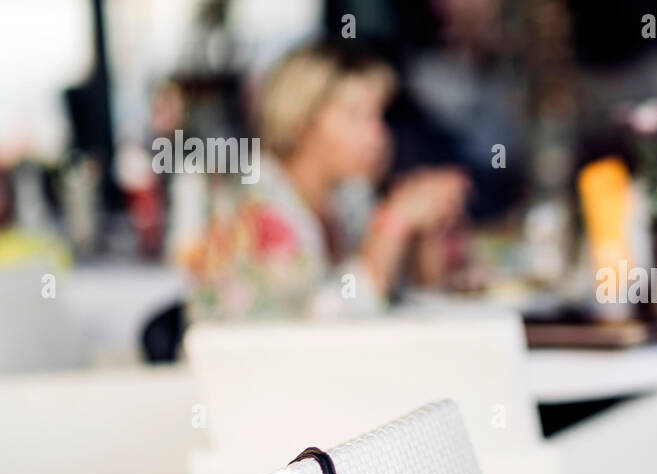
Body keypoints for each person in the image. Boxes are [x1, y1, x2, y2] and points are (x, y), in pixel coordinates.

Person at [183, 40, 471, 321]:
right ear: (301, 122)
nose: (378, 136)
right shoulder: (255, 204)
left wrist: (426, 229)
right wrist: (393, 222)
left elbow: (393, 296)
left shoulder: (346, 197)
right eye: (356, 115)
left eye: (378, 115)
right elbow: (320, 321)